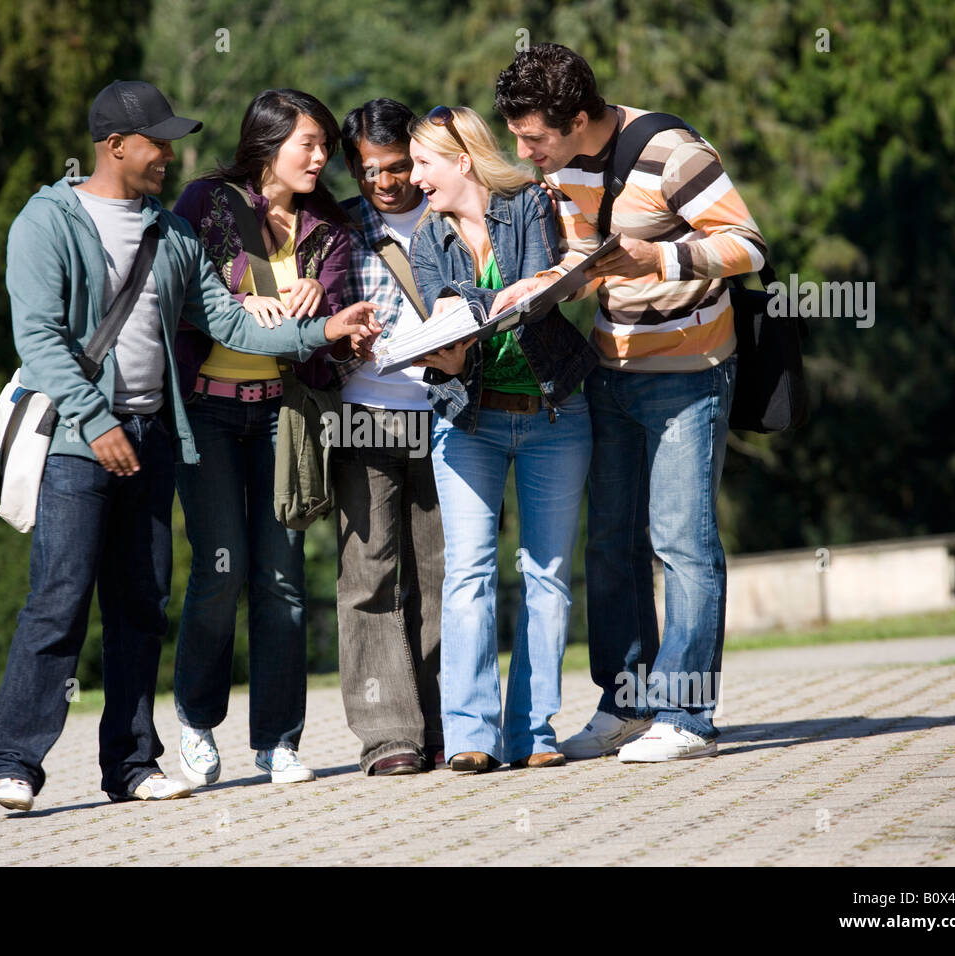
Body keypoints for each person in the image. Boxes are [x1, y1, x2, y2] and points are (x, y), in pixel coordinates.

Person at [0, 81, 375, 811]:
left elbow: (232, 325)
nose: (170, 153)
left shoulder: (173, 233)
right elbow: (38, 337)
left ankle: (131, 763)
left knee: (141, 604)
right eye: (157, 142)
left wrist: (322, 331)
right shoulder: (47, 222)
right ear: (115, 147)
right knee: (59, 599)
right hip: (76, 440)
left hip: (155, 437)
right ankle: (13, 761)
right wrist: (96, 423)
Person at [492, 43, 768, 761]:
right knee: (611, 548)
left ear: (577, 117)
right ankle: (627, 705)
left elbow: (748, 245)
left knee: (683, 544)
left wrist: (664, 258)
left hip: (689, 371)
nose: (523, 151)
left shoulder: (673, 152)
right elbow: (590, 258)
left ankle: (688, 719)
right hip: (610, 369)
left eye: (532, 138)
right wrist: (544, 285)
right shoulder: (564, 168)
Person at [169, 89, 352, 786]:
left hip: (284, 414)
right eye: (307, 143)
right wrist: (235, 300)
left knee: (282, 580)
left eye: (325, 146)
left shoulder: (328, 224)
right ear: (267, 143)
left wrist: (322, 302)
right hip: (208, 413)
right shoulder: (208, 203)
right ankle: (194, 721)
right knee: (221, 571)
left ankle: (278, 741)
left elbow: (337, 331)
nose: (319, 157)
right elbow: (175, 299)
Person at [407, 105, 597, 772]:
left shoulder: (529, 205)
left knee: (546, 576)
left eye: (423, 163)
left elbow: (543, 292)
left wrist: (484, 309)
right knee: (468, 575)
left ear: (462, 159)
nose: (413, 177)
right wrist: (444, 352)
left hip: (552, 414)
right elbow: (444, 322)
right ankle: (470, 736)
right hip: (470, 420)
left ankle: (533, 732)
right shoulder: (425, 241)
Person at [329, 98, 443, 776]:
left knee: (441, 574)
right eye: (370, 171)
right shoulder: (337, 225)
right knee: (368, 576)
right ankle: (387, 735)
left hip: (444, 415)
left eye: (397, 166)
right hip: (361, 414)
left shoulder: (449, 214)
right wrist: (346, 340)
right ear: (353, 166)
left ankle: (443, 724)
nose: (386, 182)